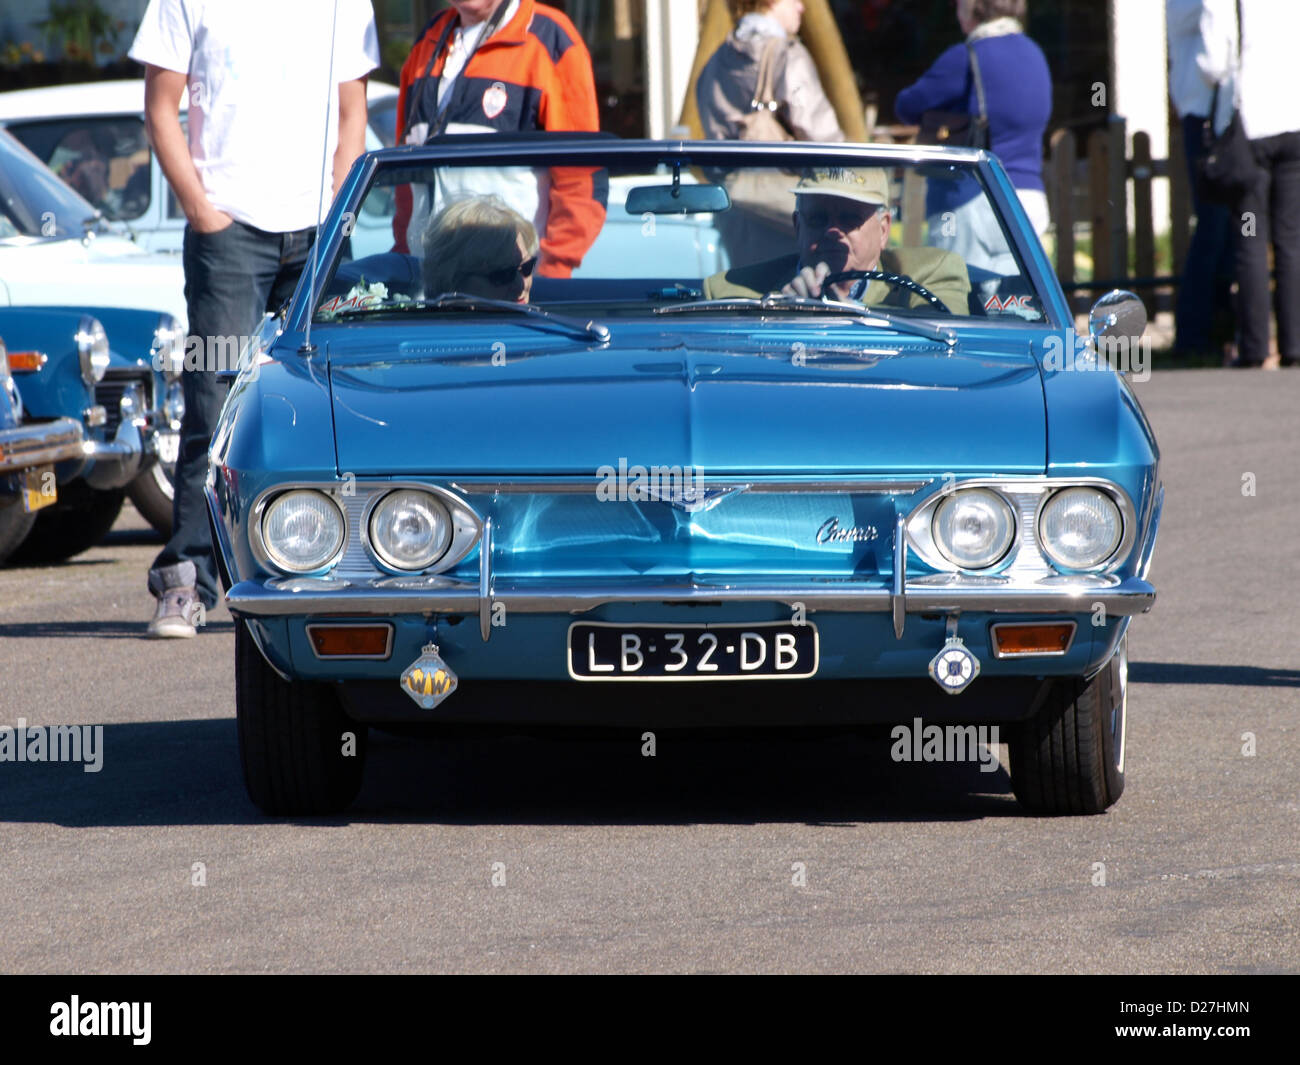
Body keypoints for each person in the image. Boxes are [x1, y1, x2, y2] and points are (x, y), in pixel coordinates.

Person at [130, 0, 378, 637]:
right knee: (214, 402)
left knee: (331, 403)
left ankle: (338, 569)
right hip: (230, 229)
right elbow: (161, 108)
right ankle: (186, 580)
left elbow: (354, 116)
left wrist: (337, 213)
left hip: (318, 232)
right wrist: (202, 209)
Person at [391, 0, 605, 279]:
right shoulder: (429, 39)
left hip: (508, 288)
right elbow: (403, 170)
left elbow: (581, 181)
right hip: (429, 284)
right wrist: (404, 261)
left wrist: (551, 274)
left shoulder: (549, 37)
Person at [894, 0, 1051, 270]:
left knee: (956, 302)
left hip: (973, 202)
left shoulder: (966, 56)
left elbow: (906, 107)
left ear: (970, 8)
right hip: (1029, 203)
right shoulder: (1035, 53)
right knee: (1014, 307)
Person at [697, 0, 845, 266]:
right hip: (788, 215)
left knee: (745, 295)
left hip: (735, 212)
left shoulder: (716, 61)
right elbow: (823, 139)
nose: (802, 8)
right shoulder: (788, 55)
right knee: (796, 295)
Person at [704, 166, 971, 314]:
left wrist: (851, 315)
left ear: (883, 230)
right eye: (818, 219)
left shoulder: (930, 274)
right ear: (798, 227)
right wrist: (779, 318)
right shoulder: (731, 293)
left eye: (850, 219)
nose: (833, 231)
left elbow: (947, 351)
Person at [1200, 0, 1300, 367]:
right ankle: (1294, 345)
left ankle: (1256, 347)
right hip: (1295, 121)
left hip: (1252, 125)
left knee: (1251, 239)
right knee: (1291, 240)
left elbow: (1213, 64)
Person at [1167, 0, 1235, 359]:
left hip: (1208, 109)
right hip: (1208, 111)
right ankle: (1195, 333)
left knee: (1222, 227)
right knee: (1214, 224)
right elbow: (1214, 58)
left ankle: (1214, 328)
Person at [696, 0, 845, 144]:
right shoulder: (788, 56)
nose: (801, 7)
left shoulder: (713, 63)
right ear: (771, 1)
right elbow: (820, 136)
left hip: (725, 168)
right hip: (776, 169)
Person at [423, 195, 539, 304]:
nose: (521, 285)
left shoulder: (547, 321)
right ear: (452, 282)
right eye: (503, 275)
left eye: (526, 268)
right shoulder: (418, 324)